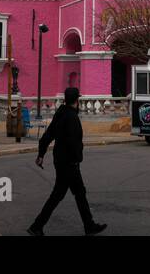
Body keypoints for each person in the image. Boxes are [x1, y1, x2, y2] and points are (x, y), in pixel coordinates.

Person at [27, 87, 106, 236]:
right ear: (77, 100)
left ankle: (88, 226)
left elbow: (48, 134)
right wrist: (77, 159)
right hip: (69, 163)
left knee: (74, 194)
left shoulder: (60, 114)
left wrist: (41, 154)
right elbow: (73, 142)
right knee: (66, 194)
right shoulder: (71, 117)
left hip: (61, 161)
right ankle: (37, 226)